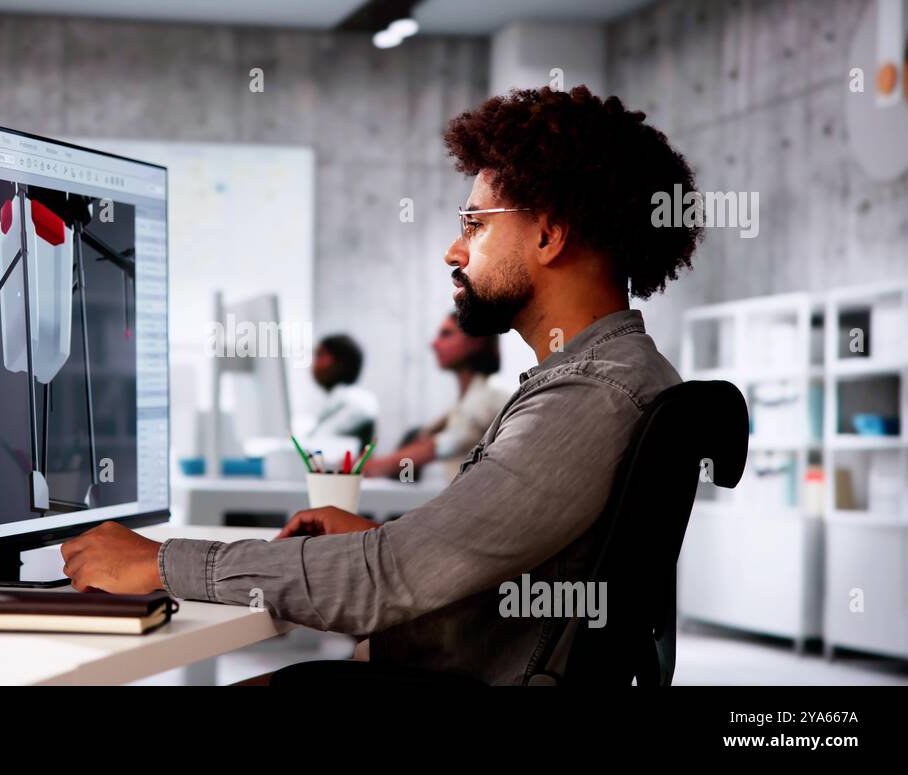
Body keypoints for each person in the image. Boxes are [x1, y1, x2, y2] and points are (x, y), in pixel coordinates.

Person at [58, 85, 701, 684]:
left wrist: (161, 562)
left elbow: (378, 585)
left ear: (548, 232)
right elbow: (509, 572)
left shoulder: (588, 395)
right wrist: (383, 541)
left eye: (474, 224)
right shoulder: (609, 378)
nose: (454, 251)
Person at [360, 312, 504, 481]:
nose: (434, 344)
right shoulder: (467, 402)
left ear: (476, 340)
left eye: (447, 334)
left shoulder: (489, 397)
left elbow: (442, 446)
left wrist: (370, 466)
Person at [304, 334, 378, 451]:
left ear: (341, 362)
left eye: (319, 355)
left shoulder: (358, 403)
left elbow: (317, 445)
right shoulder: (339, 400)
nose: (314, 363)